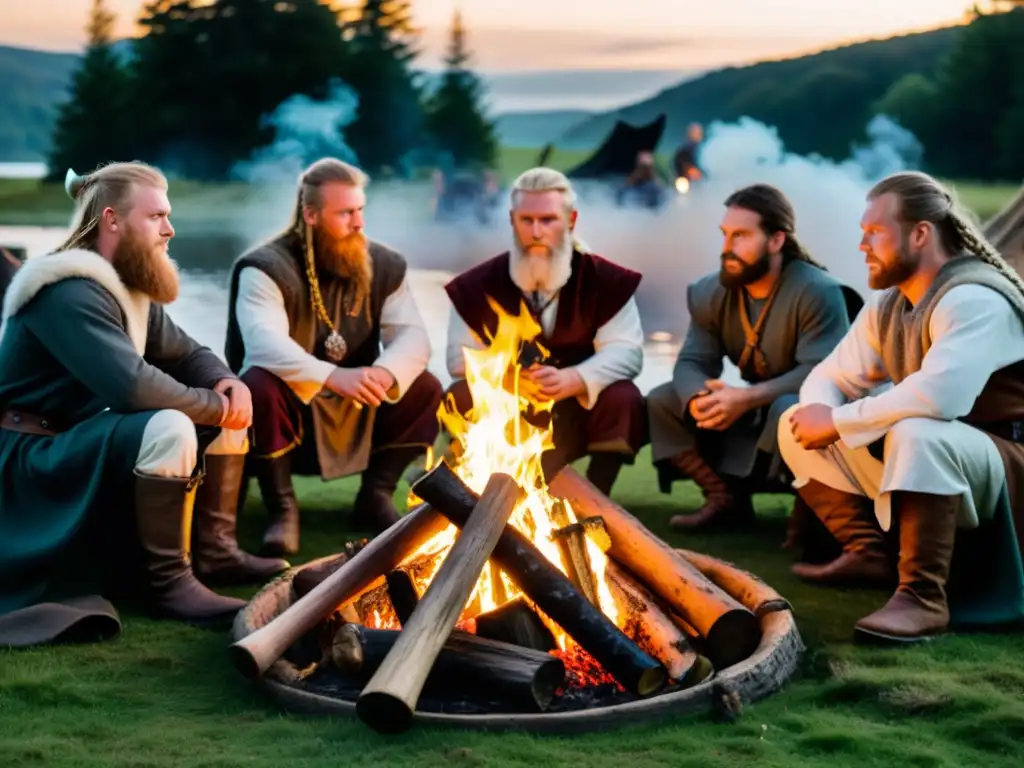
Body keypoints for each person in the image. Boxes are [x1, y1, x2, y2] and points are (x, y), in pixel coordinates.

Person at [0, 162, 285, 648]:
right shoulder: (65, 291)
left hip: (74, 445)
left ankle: (215, 551)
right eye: (156, 216)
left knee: (228, 400)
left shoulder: (122, 289)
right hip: (32, 462)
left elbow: (188, 353)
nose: (170, 229)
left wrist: (224, 383)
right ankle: (170, 586)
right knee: (172, 422)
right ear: (112, 219)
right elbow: (131, 388)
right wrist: (215, 407)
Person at [779, 170, 1024, 643]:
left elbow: (941, 398)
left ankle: (923, 598)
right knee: (795, 420)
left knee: (917, 430)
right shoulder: (889, 305)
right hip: (950, 461)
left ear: (920, 233)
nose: (862, 246)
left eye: (875, 233)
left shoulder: (975, 299)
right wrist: (822, 416)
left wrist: (839, 421)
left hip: (1010, 468)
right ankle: (867, 552)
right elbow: (828, 378)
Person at [225, 158, 441, 553]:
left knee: (423, 386)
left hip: (360, 402)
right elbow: (263, 343)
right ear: (310, 214)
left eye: (360, 210)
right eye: (345, 213)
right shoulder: (264, 267)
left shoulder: (385, 265)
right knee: (258, 382)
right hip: (294, 411)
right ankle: (282, 509)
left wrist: (383, 373)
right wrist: (332, 376)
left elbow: (412, 337)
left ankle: (375, 495)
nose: (358, 222)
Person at [646, 184, 857, 531]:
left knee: (788, 407)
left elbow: (825, 374)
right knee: (665, 399)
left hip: (807, 413)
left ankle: (811, 512)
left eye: (741, 236)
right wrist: (701, 397)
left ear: (776, 241)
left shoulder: (819, 292)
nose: (727, 248)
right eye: (725, 235)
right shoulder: (708, 292)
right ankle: (723, 498)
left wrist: (747, 398)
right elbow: (692, 362)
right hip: (750, 411)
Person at [444, 167, 646, 496]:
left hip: (579, 407)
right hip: (509, 404)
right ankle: (482, 490)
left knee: (623, 398)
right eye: (527, 220)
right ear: (512, 220)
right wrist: (508, 376)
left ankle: (596, 498)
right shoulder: (477, 285)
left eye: (548, 220)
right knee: (461, 394)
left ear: (571, 220)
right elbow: (457, 356)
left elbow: (626, 350)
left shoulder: (605, 281)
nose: (536, 231)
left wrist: (575, 379)